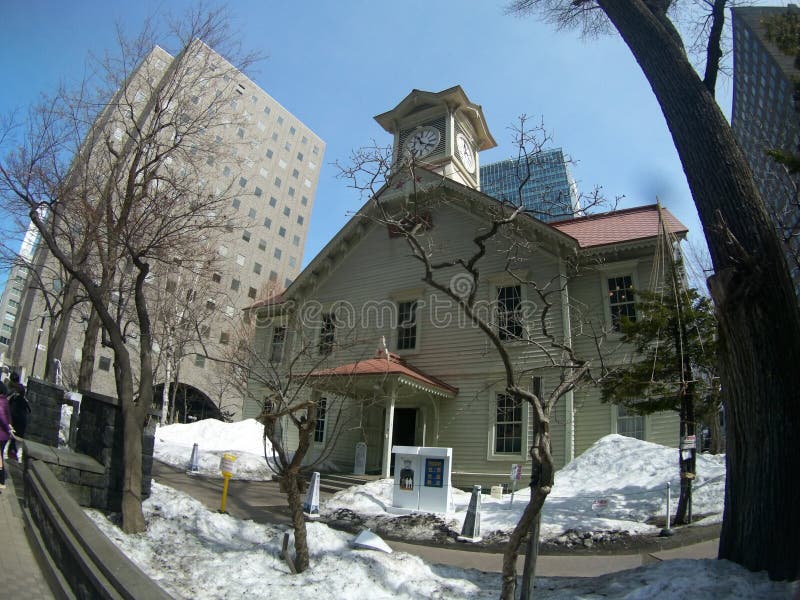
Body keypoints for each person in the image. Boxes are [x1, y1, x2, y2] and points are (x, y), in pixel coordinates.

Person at [6, 372, 28, 462]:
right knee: (14, 443)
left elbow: (8, 407)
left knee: (12, 443)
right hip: (20, 423)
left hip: (14, 422)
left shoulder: (11, 392)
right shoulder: (21, 393)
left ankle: (11, 458)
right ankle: (12, 456)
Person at [0, 391, 11, 490]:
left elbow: (2, 417)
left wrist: (8, 428)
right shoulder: (5, 401)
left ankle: (1, 480)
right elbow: (8, 416)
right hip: (4, 435)